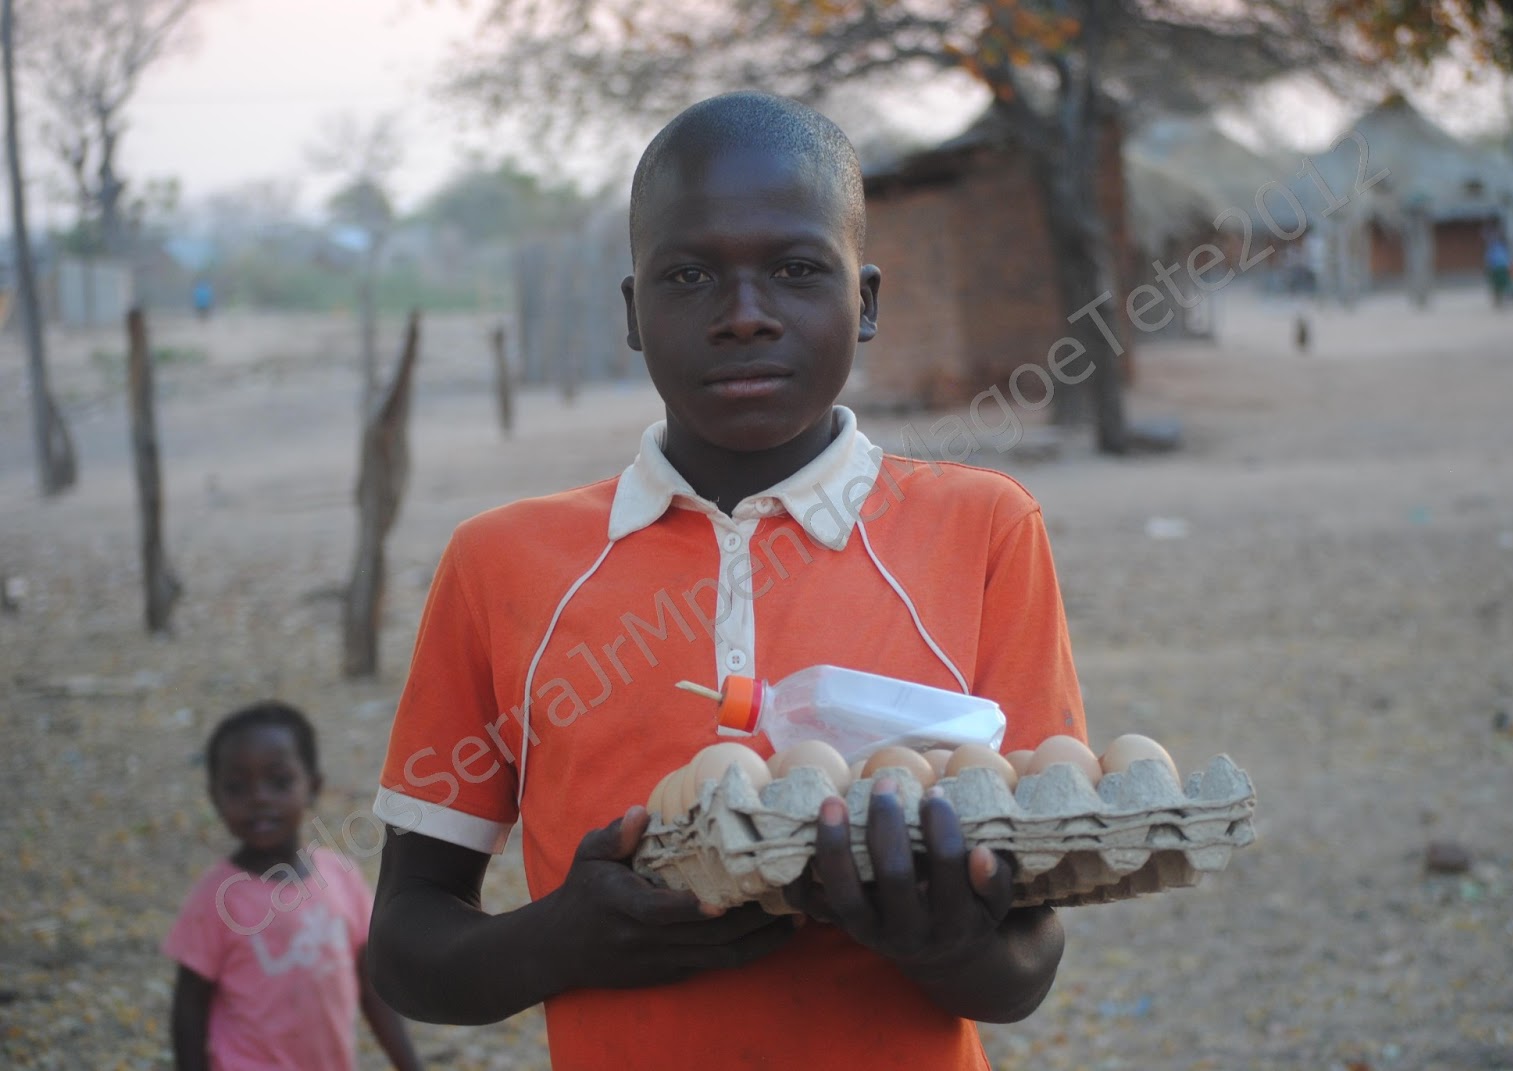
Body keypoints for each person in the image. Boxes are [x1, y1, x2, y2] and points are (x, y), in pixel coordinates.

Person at [367, 91, 1085, 1070]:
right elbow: (406, 946)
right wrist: (563, 937)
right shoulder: (503, 565)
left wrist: (944, 940)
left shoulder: (980, 531)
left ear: (864, 301)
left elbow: (1027, 961)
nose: (743, 317)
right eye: (690, 275)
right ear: (633, 311)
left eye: (795, 270)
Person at [164, 701, 423, 1071]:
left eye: (279, 781)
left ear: (312, 786)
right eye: (238, 787)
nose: (260, 798)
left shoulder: (341, 877)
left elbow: (372, 988)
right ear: (215, 797)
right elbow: (188, 1008)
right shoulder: (216, 901)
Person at [1484, 225, 1513, 307]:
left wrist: (1511, 265)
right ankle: (1499, 301)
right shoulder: (1494, 247)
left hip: (1501, 268)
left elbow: (1504, 258)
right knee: (1499, 286)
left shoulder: (1498, 247)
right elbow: (1490, 259)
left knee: (1506, 284)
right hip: (1497, 268)